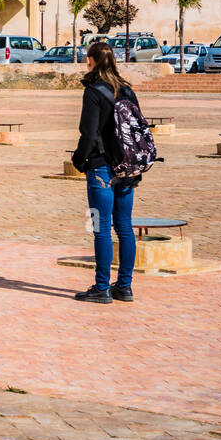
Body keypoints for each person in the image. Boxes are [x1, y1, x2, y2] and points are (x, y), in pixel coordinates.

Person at [70, 41, 140, 304]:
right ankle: (124, 286)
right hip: (127, 167)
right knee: (124, 226)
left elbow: (88, 133)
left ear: (91, 60)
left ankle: (101, 287)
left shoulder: (93, 92)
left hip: (101, 167)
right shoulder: (126, 90)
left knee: (101, 228)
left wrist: (79, 160)